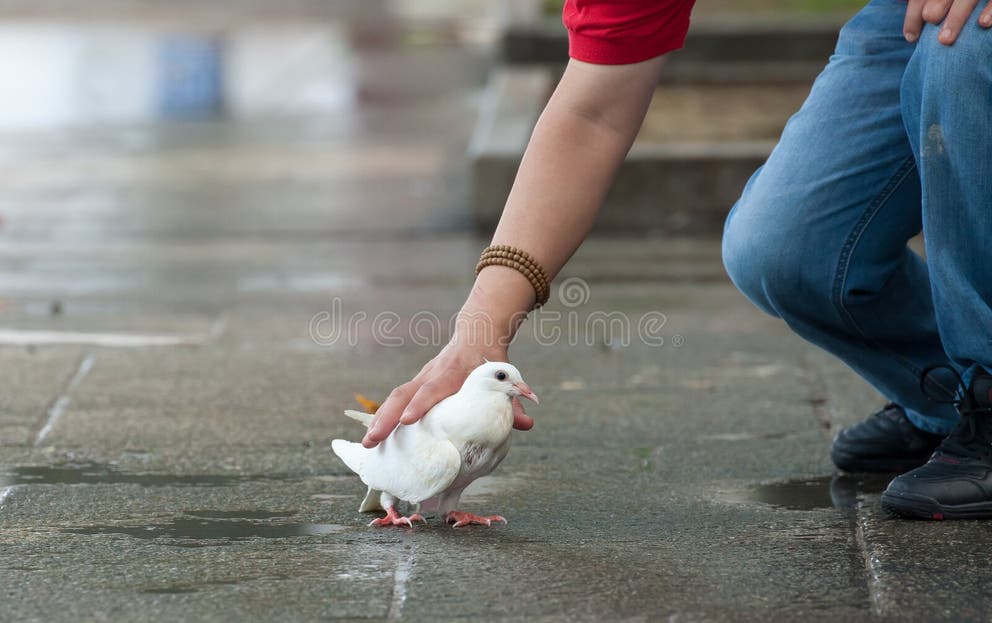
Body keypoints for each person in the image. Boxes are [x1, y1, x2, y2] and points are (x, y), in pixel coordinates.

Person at [362, 0, 992, 520]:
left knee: (964, 58)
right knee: (786, 250)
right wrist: (481, 332)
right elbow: (593, 108)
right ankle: (947, 392)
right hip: (909, 15)